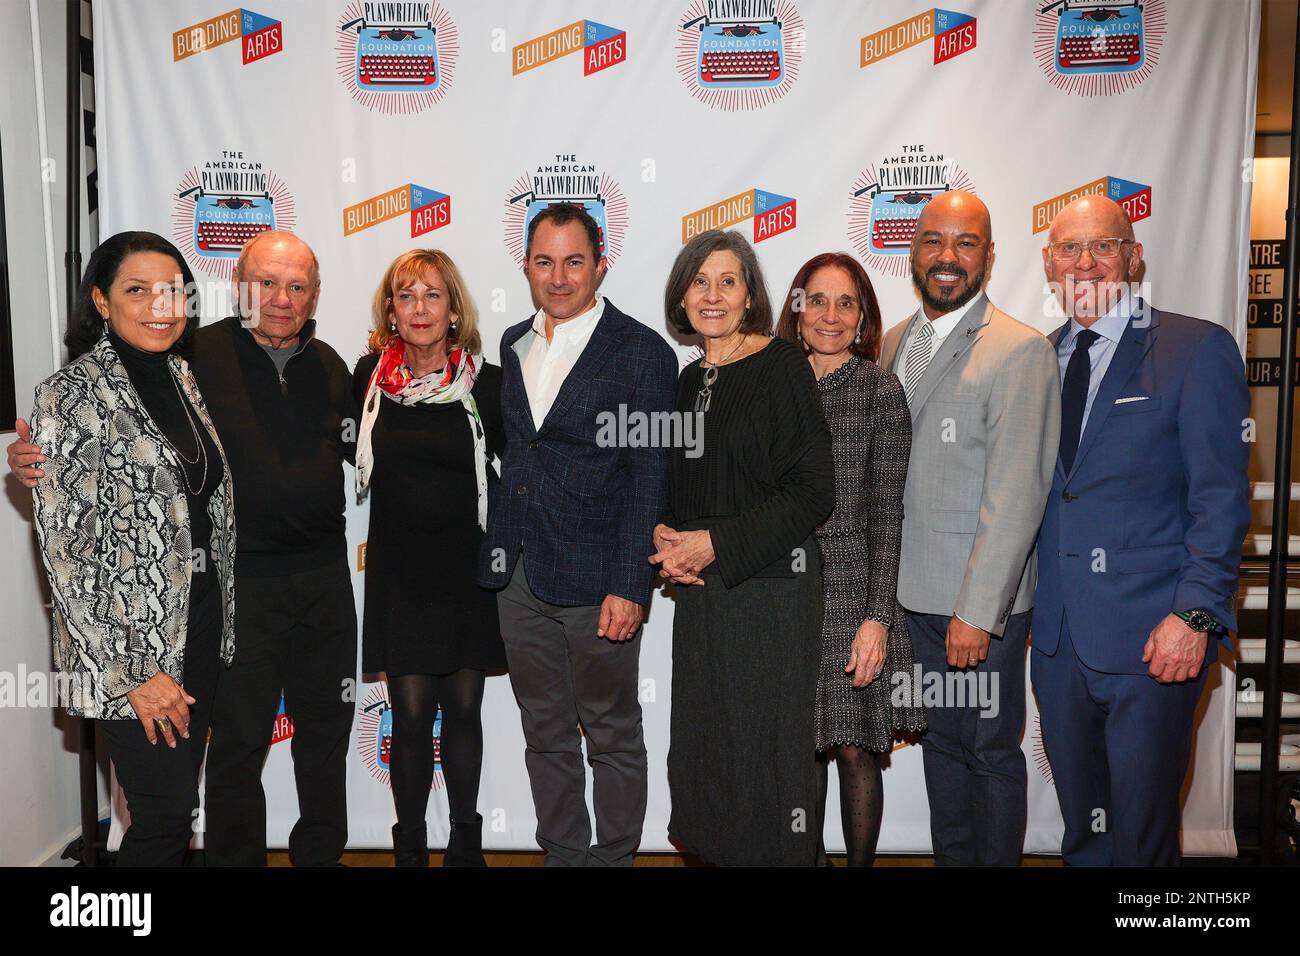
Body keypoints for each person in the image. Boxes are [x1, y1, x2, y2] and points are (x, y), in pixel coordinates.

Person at [10, 230, 359, 866]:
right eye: (264, 283)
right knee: (212, 775)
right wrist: (35, 460)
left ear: (315, 296)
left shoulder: (320, 368)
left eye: (297, 286)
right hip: (212, 606)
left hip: (277, 598)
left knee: (316, 744)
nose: (280, 298)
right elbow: (68, 546)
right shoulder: (194, 358)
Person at [1032, 196, 1250, 866]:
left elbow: (1220, 499)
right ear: (1048, 265)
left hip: (1157, 638)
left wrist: (1196, 613)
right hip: (1058, 639)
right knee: (1085, 833)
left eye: (1104, 244)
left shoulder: (1195, 347)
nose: (1086, 262)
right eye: (1069, 248)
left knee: (1143, 838)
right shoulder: (1038, 360)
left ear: (1133, 256)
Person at [478, 203, 678, 866]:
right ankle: (564, 856)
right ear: (527, 266)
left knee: (614, 733)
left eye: (573, 261)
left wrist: (632, 584)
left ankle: (613, 858)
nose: (558, 277)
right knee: (545, 734)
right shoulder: (512, 342)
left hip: (600, 583)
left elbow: (650, 476)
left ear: (600, 264)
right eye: (544, 261)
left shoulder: (643, 352)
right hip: (519, 577)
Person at [29, 231, 235, 866]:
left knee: (170, 817)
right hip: (135, 657)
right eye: (137, 290)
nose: (158, 306)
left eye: (172, 290)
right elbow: (67, 557)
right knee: (161, 822)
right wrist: (133, 673)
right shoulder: (69, 396)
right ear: (101, 300)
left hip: (196, 633)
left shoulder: (181, 376)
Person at [877, 192, 1061, 866]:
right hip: (909, 602)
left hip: (973, 610)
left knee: (986, 751)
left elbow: (1016, 494)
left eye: (966, 242)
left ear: (989, 255)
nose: (947, 257)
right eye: (933, 240)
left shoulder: (1020, 351)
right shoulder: (894, 341)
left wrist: (977, 613)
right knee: (942, 748)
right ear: (912, 250)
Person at [653, 229, 835, 866]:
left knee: (766, 761)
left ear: (750, 295)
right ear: (682, 296)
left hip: (772, 597)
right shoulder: (686, 379)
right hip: (705, 601)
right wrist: (666, 531)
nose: (712, 294)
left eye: (727, 281)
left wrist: (714, 543)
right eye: (699, 281)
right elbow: (681, 489)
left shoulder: (783, 366)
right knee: (707, 754)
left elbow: (814, 491)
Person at [353, 249, 505, 866]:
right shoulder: (367, 380)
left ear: (453, 309)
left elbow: (524, 471)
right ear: (391, 309)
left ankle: (465, 843)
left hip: (466, 571)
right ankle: (409, 845)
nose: (419, 307)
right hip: (399, 573)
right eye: (406, 295)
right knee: (411, 718)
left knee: (465, 709)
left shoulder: (487, 385)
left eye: (432, 295)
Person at [775, 252, 925, 867]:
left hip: (851, 595)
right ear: (797, 307)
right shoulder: (772, 381)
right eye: (818, 300)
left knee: (856, 749)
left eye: (846, 303)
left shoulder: (880, 390)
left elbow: (890, 515)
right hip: (779, 592)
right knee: (799, 749)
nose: (830, 316)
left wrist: (877, 618)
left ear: (863, 315)